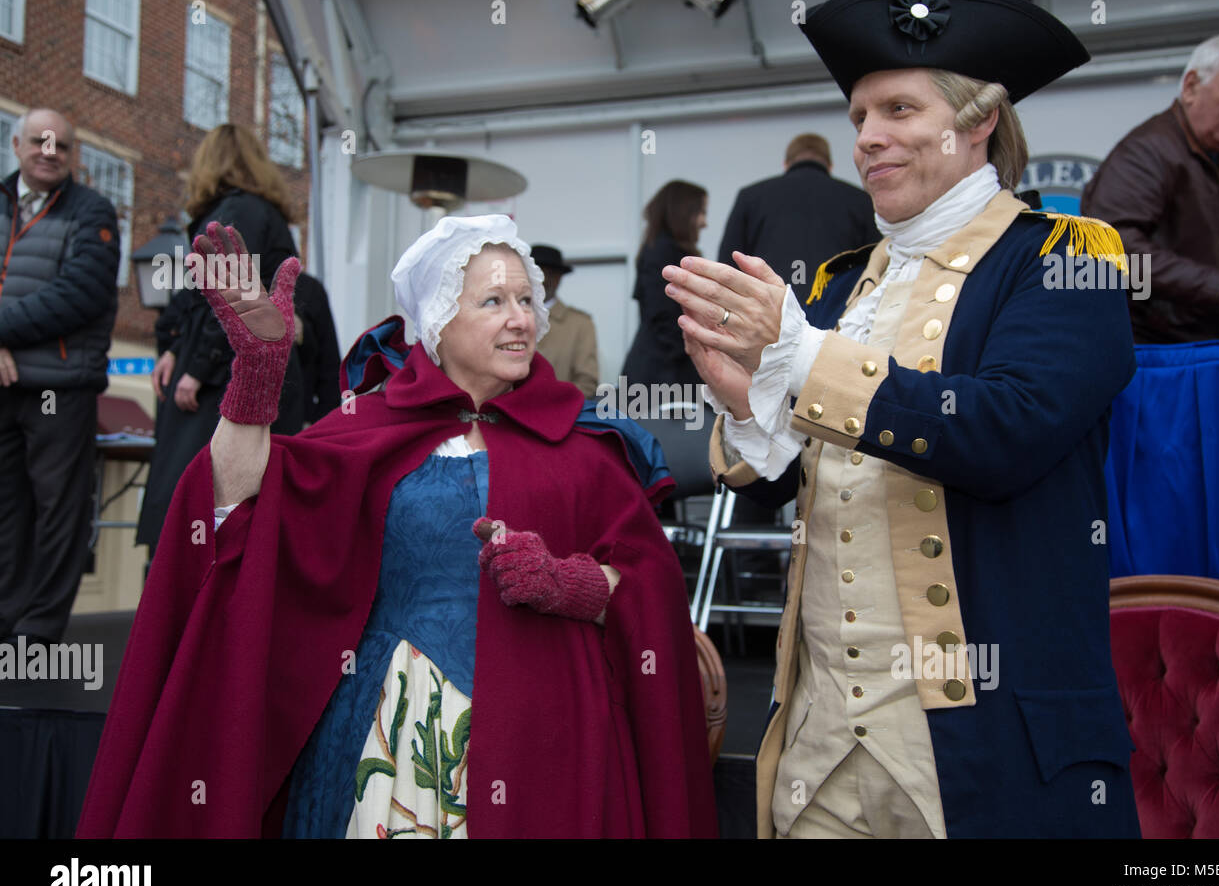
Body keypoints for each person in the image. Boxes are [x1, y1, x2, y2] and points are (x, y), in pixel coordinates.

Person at [666, 0, 1142, 838]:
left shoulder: (1069, 262)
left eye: (897, 109)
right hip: (820, 746)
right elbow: (787, 486)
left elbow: (1004, 433)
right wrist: (751, 411)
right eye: (857, 116)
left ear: (978, 120)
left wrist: (800, 355)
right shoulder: (836, 287)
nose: (867, 138)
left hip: (982, 747)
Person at [77, 214, 716, 838]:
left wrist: (574, 585)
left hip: (550, 746)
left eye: (525, 298)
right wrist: (256, 379)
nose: (521, 318)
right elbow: (237, 511)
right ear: (437, 320)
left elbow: (649, 585)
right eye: (492, 300)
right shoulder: (368, 428)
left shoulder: (583, 447)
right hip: (390, 739)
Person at [137, 124, 304, 551]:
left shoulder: (235, 212)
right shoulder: (266, 214)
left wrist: (196, 366)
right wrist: (177, 348)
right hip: (248, 366)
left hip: (223, 375)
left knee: (203, 502)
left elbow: (227, 299)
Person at [1082, 31, 1219, 343]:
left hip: (1208, 349)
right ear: (1192, 86)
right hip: (1151, 357)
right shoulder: (1145, 152)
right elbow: (1108, 248)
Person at [0, 108, 120, 645]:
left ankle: (42, 626)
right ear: (17, 143)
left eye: (62, 146)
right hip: (5, 383)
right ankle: (8, 616)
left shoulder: (92, 211)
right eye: (39, 142)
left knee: (58, 510)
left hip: (59, 389)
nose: (49, 151)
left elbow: (80, 294)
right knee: (8, 507)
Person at [718, 133, 880, 311]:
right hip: (836, 315)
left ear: (786, 164)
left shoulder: (750, 196)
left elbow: (728, 264)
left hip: (767, 312)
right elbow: (877, 264)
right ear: (830, 166)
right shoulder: (860, 200)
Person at [621, 180, 708, 394]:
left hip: (662, 371)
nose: (704, 222)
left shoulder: (658, 251)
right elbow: (664, 319)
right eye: (701, 213)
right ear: (682, 212)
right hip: (664, 376)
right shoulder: (664, 254)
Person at [532, 244, 599, 398]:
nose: (541, 280)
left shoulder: (580, 324)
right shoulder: (511, 319)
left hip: (558, 416)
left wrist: (550, 402)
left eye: (546, 273)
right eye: (535, 273)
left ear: (558, 278)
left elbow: (587, 383)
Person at [292, 271, 342, 424]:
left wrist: (321, 425)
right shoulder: (231, 286)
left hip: (298, 421)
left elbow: (331, 368)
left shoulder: (308, 289)